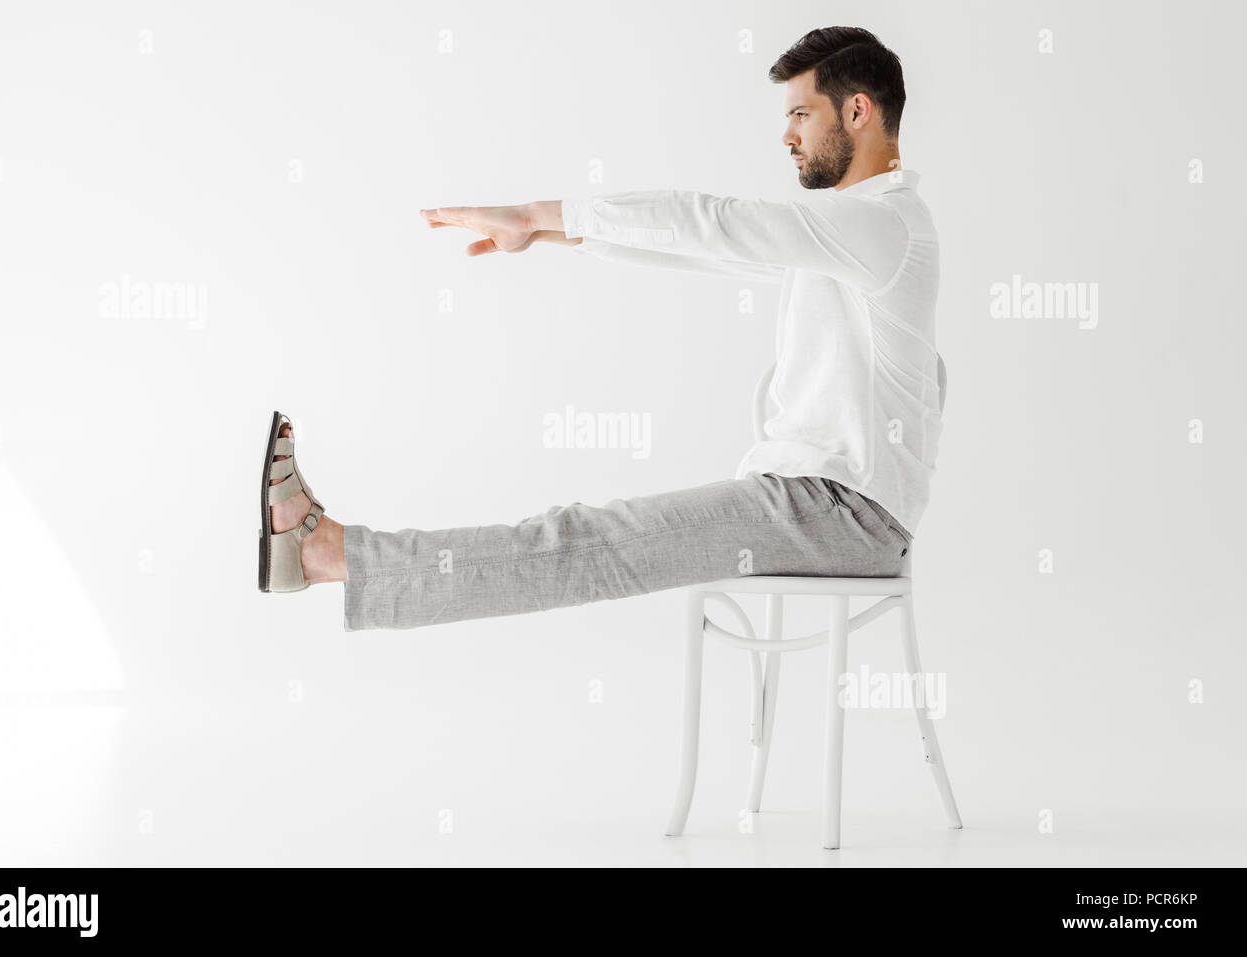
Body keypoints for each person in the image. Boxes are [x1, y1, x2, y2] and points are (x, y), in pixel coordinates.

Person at [258, 26, 943, 632]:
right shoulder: (851, 236)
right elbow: (703, 248)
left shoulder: (882, 225)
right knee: (581, 538)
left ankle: (327, 554)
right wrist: (549, 233)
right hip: (823, 504)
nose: (786, 135)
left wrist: (538, 210)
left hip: (844, 514)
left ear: (858, 111)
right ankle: (327, 556)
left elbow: (717, 221)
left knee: (585, 540)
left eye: (801, 113)